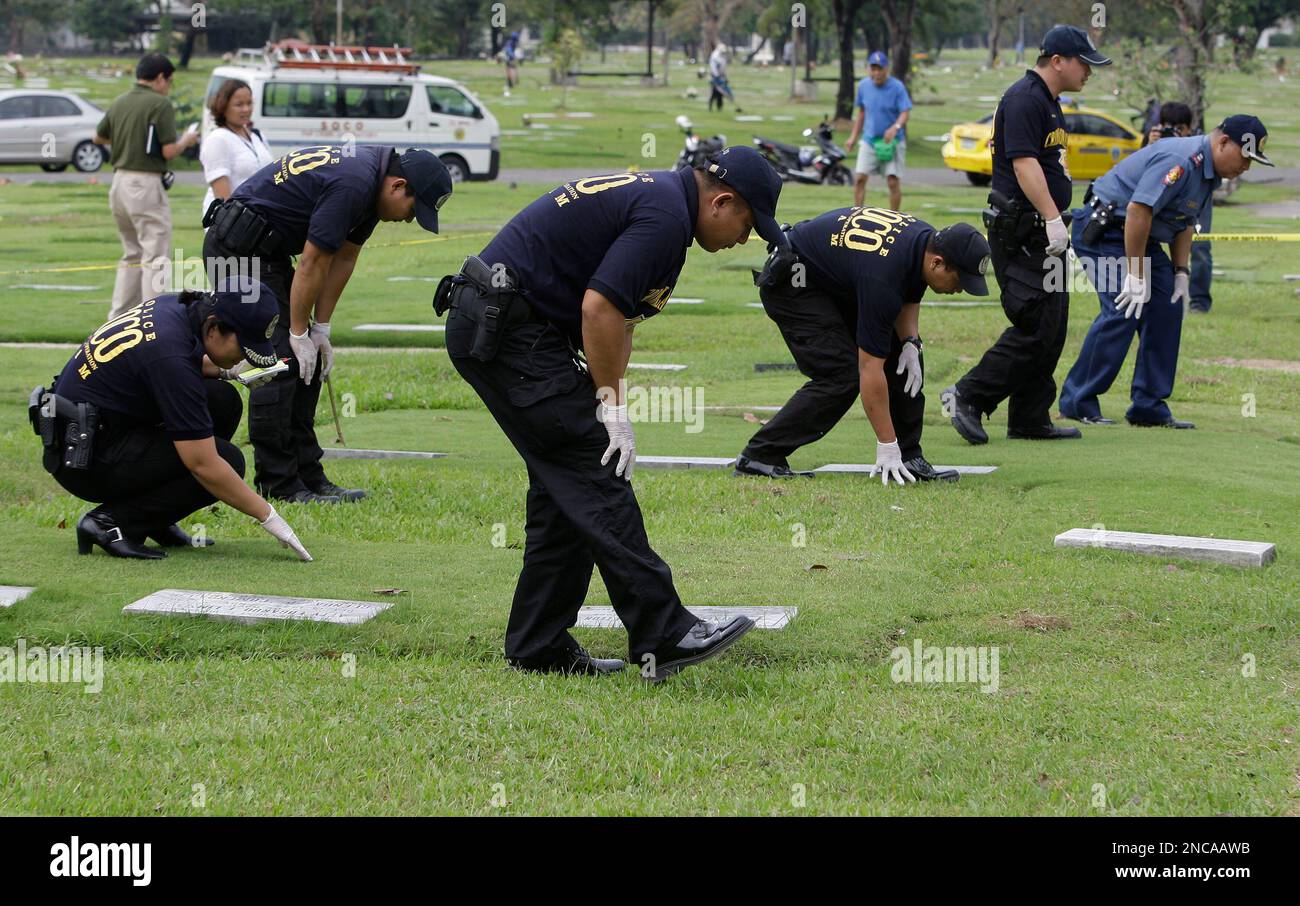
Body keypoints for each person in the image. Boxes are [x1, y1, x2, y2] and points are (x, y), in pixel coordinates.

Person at [434, 146, 785, 681]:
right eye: (749, 224)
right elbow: (597, 307)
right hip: (505, 333)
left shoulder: (664, 203)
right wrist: (609, 404)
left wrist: (611, 403)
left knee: (565, 488)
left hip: (511, 328)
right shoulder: (666, 217)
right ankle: (663, 632)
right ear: (722, 201)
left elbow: (618, 321)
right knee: (594, 469)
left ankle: (537, 644)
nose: (746, 238)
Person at [202, 146, 453, 504]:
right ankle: (278, 481)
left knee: (308, 357)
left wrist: (320, 328)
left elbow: (344, 258)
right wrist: (298, 332)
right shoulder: (353, 183)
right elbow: (312, 261)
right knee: (281, 359)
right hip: (236, 252)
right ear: (398, 186)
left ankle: (307, 473)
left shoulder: (371, 186)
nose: (410, 219)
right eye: (414, 210)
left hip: (265, 254)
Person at [30, 279, 312, 562]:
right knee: (228, 462)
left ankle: (154, 518)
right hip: (86, 461)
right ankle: (110, 522)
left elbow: (174, 361)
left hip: (92, 432)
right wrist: (269, 516)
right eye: (243, 346)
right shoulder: (169, 355)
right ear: (213, 327)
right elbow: (202, 464)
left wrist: (230, 371)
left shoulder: (174, 308)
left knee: (221, 400)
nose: (244, 355)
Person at [942, 26, 1111, 446]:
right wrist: (1052, 218)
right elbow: (1023, 165)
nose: (1089, 71)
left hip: (1048, 234)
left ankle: (1029, 416)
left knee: (1053, 326)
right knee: (1034, 322)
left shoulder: (1050, 103)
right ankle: (968, 395)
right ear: (1057, 60)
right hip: (1023, 233)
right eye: (1083, 63)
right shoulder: (1024, 99)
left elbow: (1051, 163)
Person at [735, 212, 992, 484]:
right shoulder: (884, 278)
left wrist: (911, 342)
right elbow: (869, 368)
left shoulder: (925, 243)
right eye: (960, 281)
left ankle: (909, 458)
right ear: (938, 263)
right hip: (795, 283)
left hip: (835, 280)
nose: (960, 290)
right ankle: (760, 455)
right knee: (841, 374)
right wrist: (885, 444)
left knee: (904, 355)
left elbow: (910, 293)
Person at [1058, 116, 1271, 429]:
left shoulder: (1209, 172)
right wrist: (1133, 275)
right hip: (1106, 230)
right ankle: (1077, 402)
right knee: (1123, 308)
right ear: (1223, 142)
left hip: (1140, 236)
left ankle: (1148, 405)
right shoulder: (1181, 160)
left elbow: (1184, 221)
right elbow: (1137, 211)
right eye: (1245, 157)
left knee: (1167, 305)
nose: (1246, 167)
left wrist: (1181, 273)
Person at [94, 53, 199, 319]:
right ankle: (153, 319)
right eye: (169, 81)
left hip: (119, 182)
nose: (169, 87)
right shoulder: (159, 104)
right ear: (160, 78)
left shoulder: (120, 101)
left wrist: (127, 142)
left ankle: (118, 318)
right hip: (145, 182)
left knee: (132, 254)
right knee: (155, 256)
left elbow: (98, 137)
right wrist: (187, 140)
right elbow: (167, 151)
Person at [844, 52, 912, 211]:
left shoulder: (897, 87)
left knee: (892, 181)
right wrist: (853, 137)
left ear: (886, 69)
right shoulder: (863, 86)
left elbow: (905, 112)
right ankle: (856, 214)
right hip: (869, 140)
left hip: (892, 141)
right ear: (869, 69)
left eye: (879, 69)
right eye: (873, 69)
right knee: (860, 178)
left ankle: (895, 219)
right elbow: (861, 113)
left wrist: (895, 128)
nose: (876, 73)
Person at [199, 78, 274, 219]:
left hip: (259, 220)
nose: (246, 109)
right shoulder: (218, 139)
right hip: (232, 223)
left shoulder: (257, 136)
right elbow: (223, 198)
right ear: (223, 106)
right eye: (239, 105)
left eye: (249, 103)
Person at [707, 43, 740, 113]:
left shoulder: (722, 56)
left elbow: (723, 69)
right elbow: (714, 69)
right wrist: (716, 77)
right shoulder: (715, 56)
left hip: (720, 77)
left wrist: (725, 77)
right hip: (715, 77)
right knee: (714, 93)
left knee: (720, 94)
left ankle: (719, 108)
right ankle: (710, 107)